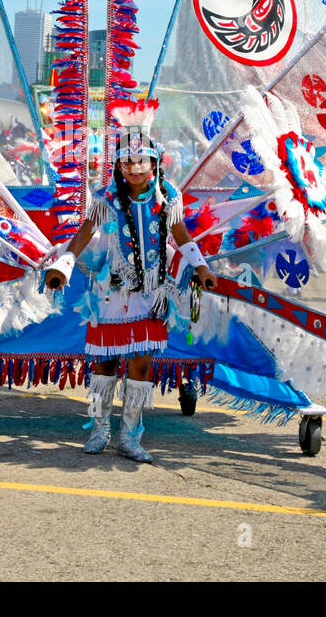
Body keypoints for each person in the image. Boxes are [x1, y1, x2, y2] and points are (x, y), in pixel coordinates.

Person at [44, 100, 215, 462]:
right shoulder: (104, 198)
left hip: (151, 294)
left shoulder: (169, 197)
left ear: (154, 163)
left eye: (142, 161)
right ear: (119, 166)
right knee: (103, 364)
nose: (135, 168)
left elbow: (181, 235)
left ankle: (130, 437)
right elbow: (82, 236)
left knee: (140, 364)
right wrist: (64, 265)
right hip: (108, 295)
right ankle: (99, 429)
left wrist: (201, 267)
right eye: (127, 162)